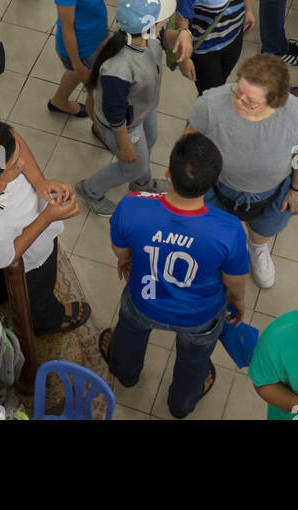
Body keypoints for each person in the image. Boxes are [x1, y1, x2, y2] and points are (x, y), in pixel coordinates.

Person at [99, 132, 249, 420]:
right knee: (195, 360)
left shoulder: (132, 205)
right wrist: (237, 300)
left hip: (143, 298)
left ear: (168, 172)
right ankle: (181, 404)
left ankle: (125, 373)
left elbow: (120, 250)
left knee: (129, 334)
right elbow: (234, 281)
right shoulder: (228, 228)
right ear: (214, 181)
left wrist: (127, 259)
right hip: (199, 315)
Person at [184, 54, 298, 288]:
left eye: (249, 101)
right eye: (238, 92)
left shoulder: (296, 117)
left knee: (264, 229)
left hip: (272, 192)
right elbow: (189, 142)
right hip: (218, 187)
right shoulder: (211, 103)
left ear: (274, 101)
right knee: (217, 229)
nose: (238, 102)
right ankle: (222, 253)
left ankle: (257, 248)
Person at [0, 118, 90, 333]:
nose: (22, 163)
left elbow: (12, 138)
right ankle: (45, 322)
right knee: (37, 294)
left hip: (0, 244)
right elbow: (5, 256)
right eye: (14, 165)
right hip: (30, 255)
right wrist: (46, 218)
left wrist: (39, 181)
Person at [77, 0, 194, 214]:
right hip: (124, 126)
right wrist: (124, 144)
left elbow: (165, 39)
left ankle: (142, 184)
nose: (166, 21)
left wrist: (182, 35)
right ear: (151, 26)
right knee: (130, 167)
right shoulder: (118, 69)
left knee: (149, 143)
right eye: (162, 20)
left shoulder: (143, 36)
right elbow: (114, 113)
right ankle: (90, 189)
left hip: (142, 110)